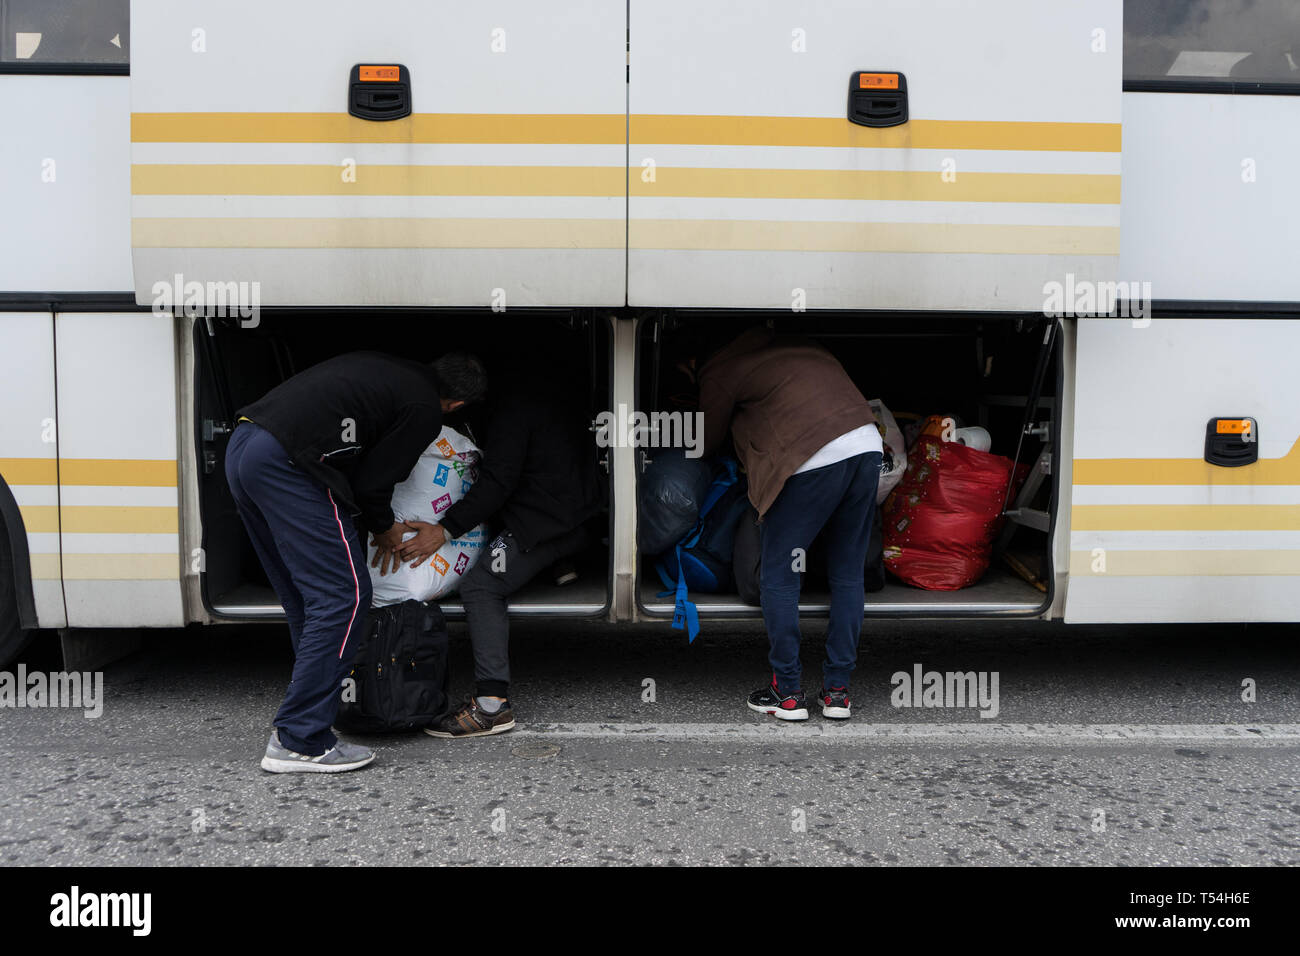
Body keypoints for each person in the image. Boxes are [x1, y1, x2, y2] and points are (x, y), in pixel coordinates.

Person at [226, 350, 487, 771]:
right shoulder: (423, 408)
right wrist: (383, 527)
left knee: (307, 598)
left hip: (243, 447)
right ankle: (299, 738)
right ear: (455, 405)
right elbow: (372, 483)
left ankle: (308, 725)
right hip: (287, 464)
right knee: (344, 597)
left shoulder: (391, 370)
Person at [380, 378, 604, 738]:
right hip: (577, 514)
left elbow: (498, 482)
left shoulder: (509, 412)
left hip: (549, 523)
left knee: (481, 586)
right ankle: (562, 565)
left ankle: (491, 705)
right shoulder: (543, 394)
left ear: (458, 401)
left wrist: (445, 530)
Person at [695, 326, 882, 721]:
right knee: (847, 572)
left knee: (780, 573)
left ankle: (788, 693)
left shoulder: (720, 367)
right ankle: (837, 694)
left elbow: (704, 442)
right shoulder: (799, 340)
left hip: (810, 457)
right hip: (866, 444)